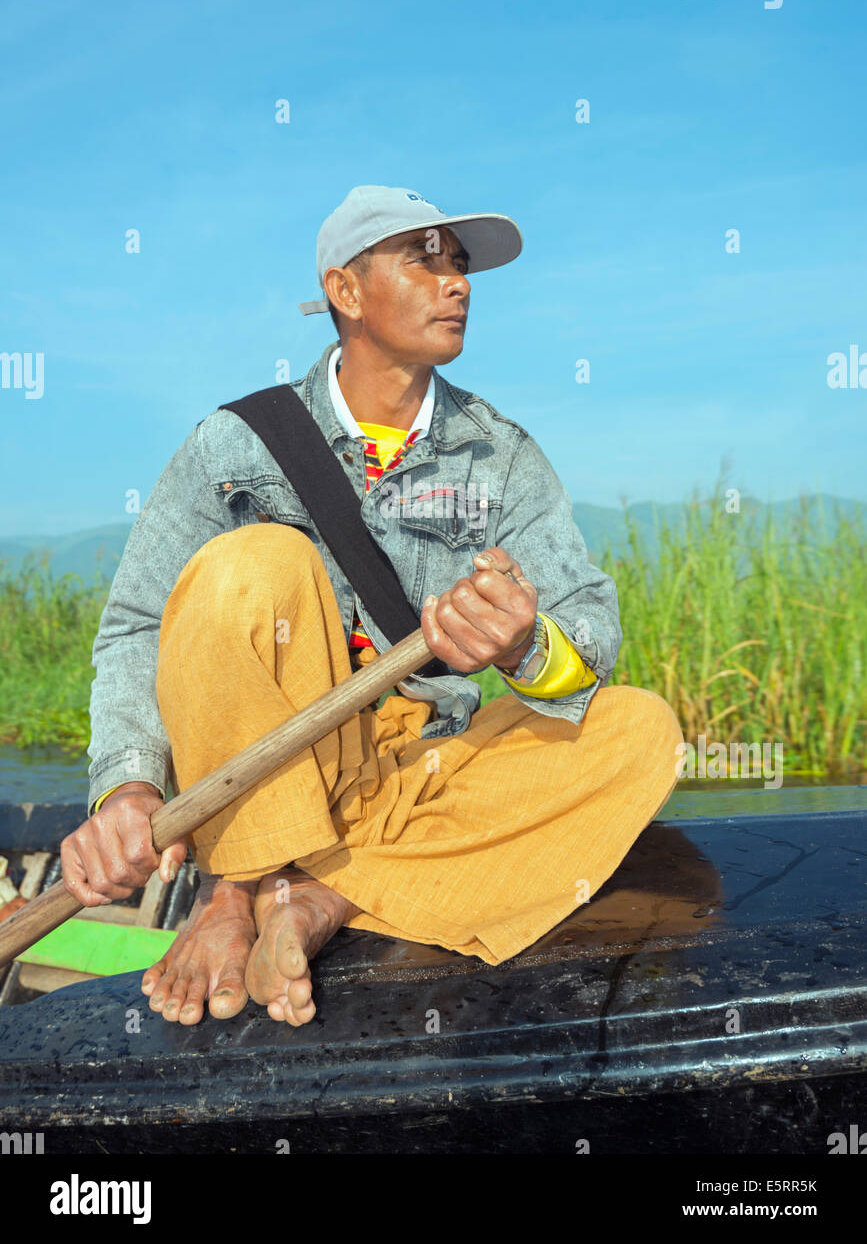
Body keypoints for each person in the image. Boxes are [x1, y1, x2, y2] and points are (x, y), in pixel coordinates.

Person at [62, 185, 684, 1026]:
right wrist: (129, 792)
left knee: (639, 731)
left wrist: (521, 646)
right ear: (343, 292)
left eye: (460, 265)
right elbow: (137, 624)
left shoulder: (501, 458)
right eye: (424, 259)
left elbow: (589, 635)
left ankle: (314, 897)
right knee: (254, 560)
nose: (455, 282)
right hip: (271, 762)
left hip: (423, 767)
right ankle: (243, 885)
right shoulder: (234, 442)